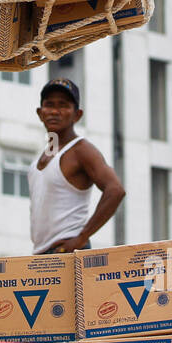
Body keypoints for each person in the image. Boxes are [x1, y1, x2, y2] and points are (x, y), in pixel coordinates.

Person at [30, 78, 126, 254]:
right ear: (40, 112)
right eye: (49, 104)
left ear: (77, 114)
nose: (55, 111)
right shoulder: (42, 157)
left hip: (66, 249)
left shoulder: (81, 150)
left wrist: (81, 238)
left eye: (63, 105)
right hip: (41, 253)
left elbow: (116, 190)